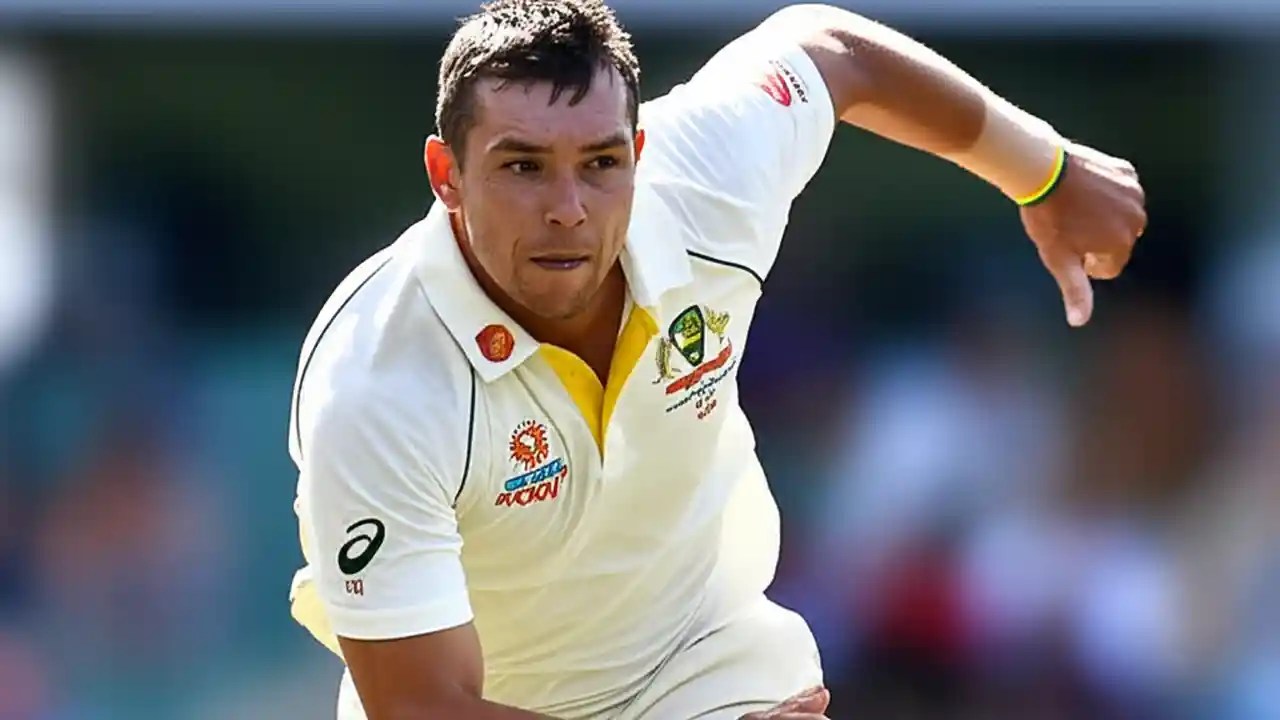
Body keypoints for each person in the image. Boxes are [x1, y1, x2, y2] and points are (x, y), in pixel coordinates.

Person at [285, 1, 1147, 718]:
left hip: (705, 664)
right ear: (447, 175)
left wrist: (1044, 168)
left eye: (600, 163)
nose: (569, 209)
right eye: (522, 167)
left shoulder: (698, 181)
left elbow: (832, 53)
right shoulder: (373, 381)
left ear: (639, 157)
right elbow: (424, 711)